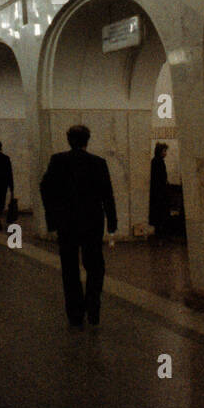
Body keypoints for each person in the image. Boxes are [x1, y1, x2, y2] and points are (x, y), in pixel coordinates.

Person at [40, 125, 118, 327]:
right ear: (87, 140)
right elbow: (107, 194)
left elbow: (46, 189)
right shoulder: (98, 163)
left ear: (68, 140)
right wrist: (112, 223)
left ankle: (75, 314)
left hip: (66, 222)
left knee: (70, 268)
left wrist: (52, 218)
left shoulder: (57, 161)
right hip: (92, 221)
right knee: (95, 266)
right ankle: (93, 308)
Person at [149, 142, 170, 238]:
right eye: (164, 151)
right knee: (160, 212)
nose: (166, 153)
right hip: (159, 191)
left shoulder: (156, 161)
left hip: (158, 191)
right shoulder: (158, 162)